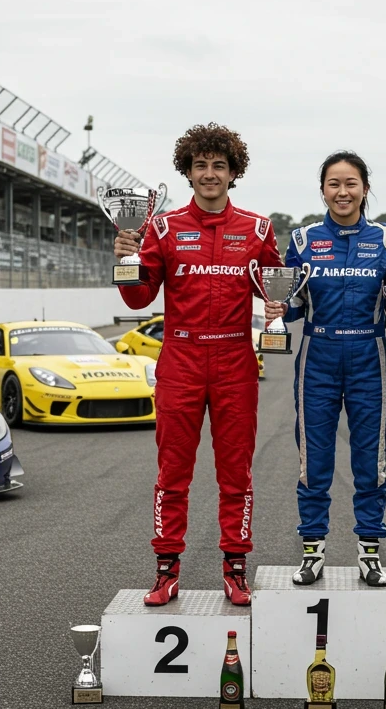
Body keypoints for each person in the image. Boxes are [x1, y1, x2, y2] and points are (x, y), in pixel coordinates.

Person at [115, 123, 280, 607]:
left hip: (234, 360)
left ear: (234, 173)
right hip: (181, 360)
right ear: (187, 172)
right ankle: (166, 570)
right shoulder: (164, 228)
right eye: (201, 165)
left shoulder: (257, 229)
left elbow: (275, 290)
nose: (210, 174)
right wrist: (126, 260)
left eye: (219, 166)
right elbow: (139, 295)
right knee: (172, 472)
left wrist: (278, 308)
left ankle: (235, 568)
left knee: (236, 473)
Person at [262, 152, 386, 587]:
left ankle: (369, 553)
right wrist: (277, 311)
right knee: (314, 460)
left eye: (351, 183)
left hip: (369, 355)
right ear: (322, 189)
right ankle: (312, 552)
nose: (343, 192)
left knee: (370, 460)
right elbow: (294, 301)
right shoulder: (303, 240)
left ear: (365, 187)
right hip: (318, 354)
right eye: (334, 184)